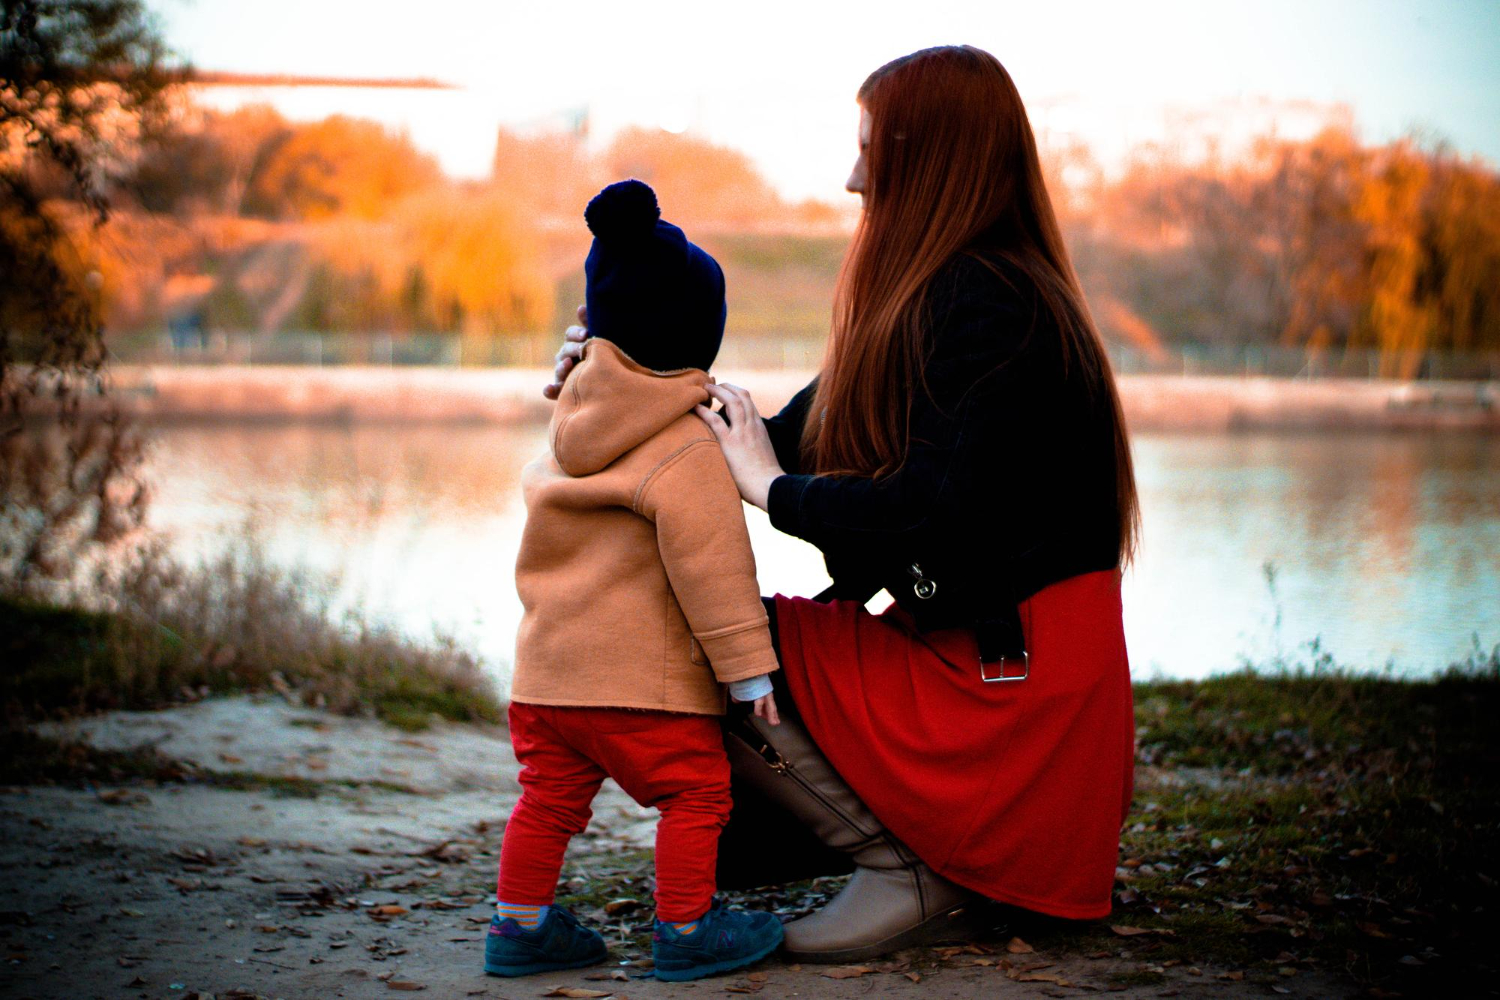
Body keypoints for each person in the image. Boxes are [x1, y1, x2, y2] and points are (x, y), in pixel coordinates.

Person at [545, 45, 1140, 963]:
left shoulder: (988, 303)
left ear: (926, 158)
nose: (852, 176)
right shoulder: (942, 293)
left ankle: (903, 867)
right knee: (692, 627)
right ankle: (902, 854)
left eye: (870, 147)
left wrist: (775, 497)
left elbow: (923, 511)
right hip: (990, 665)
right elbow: (780, 435)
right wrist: (619, 376)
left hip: (1013, 700)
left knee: (699, 636)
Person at [486, 179, 784, 982]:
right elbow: (712, 564)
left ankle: (519, 926)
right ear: (698, 331)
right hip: (642, 688)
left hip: (546, 680)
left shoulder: (567, 427)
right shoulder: (684, 445)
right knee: (695, 794)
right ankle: (686, 930)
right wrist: (748, 669)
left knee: (546, 800)